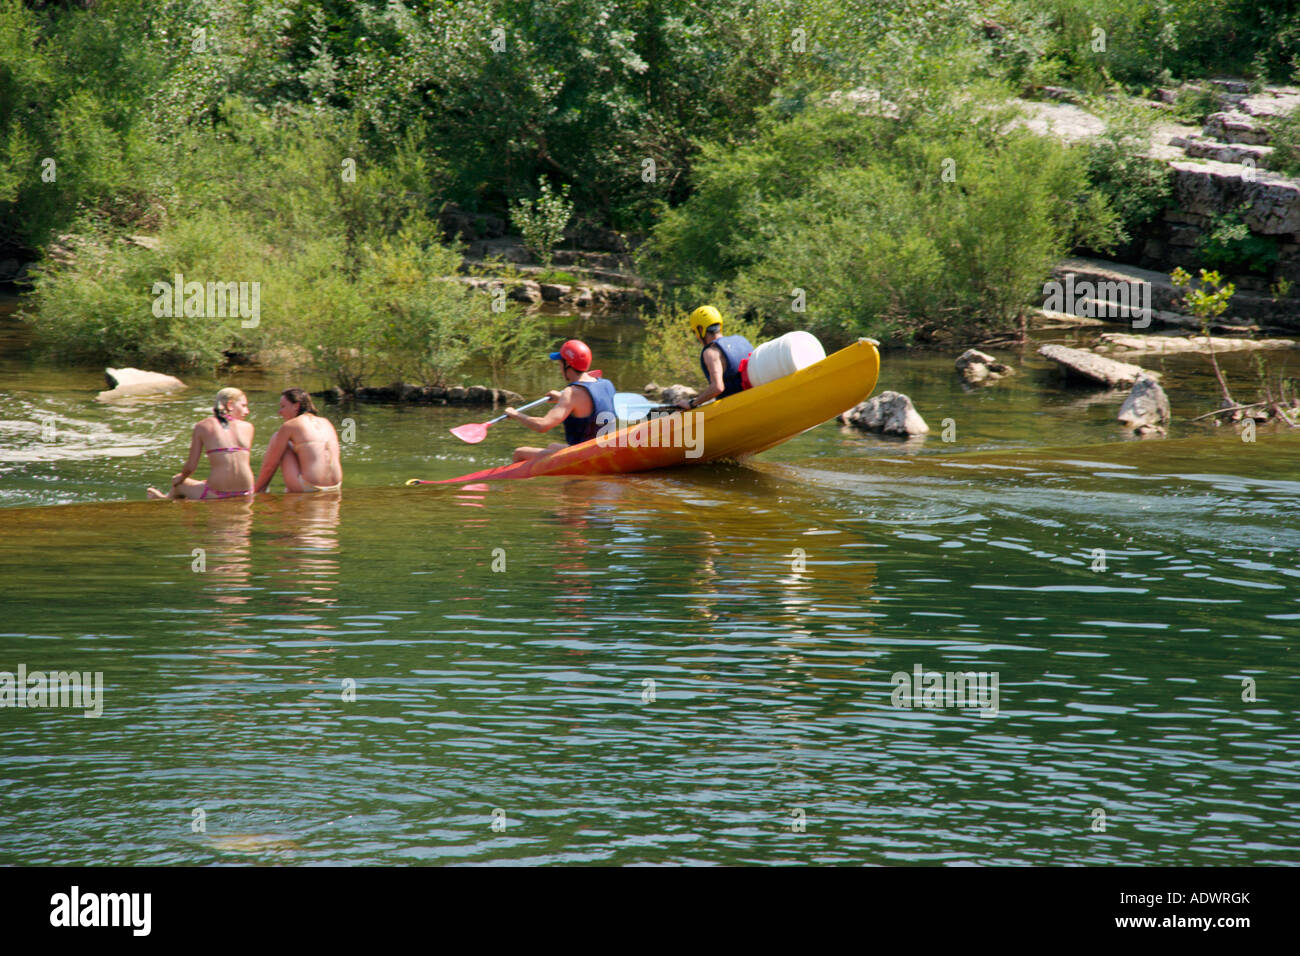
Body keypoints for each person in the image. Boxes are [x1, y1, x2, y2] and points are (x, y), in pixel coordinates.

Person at [504, 339, 616, 462]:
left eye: (560, 363)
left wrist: (515, 414)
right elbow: (594, 407)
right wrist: (561, 399)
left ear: (567, 364)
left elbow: (542, 426)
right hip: (604, 449)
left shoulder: (572, 393)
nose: (559, 368)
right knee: (552, 446)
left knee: (519, 453)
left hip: (582, 456)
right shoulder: (607, 384)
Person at [148, 387, 255, 500]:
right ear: (230, 405)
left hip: (217, 493)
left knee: (179, 484)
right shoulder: (248, 427)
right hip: (246, 491)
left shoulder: (203, 426)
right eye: (243, 406)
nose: (247, 411)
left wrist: (181, 477)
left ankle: (165, 498)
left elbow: (191, 467)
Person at [254, 387, 343, 493]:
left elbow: (269, 467)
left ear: (296, 406)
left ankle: (260, 490)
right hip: (335, 486)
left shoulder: (290, 425)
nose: (279, 412)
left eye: (283, 406)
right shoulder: (326, 422)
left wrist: (254, 492)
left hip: (311, 487)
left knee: (276, 438)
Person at [678, 305, 753, 410]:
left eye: (695, 332)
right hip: (754, 397)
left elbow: (717, 387)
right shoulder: (741, 340)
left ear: (700, 329)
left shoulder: (711, 352)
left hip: (735, 408)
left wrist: (692, 403)